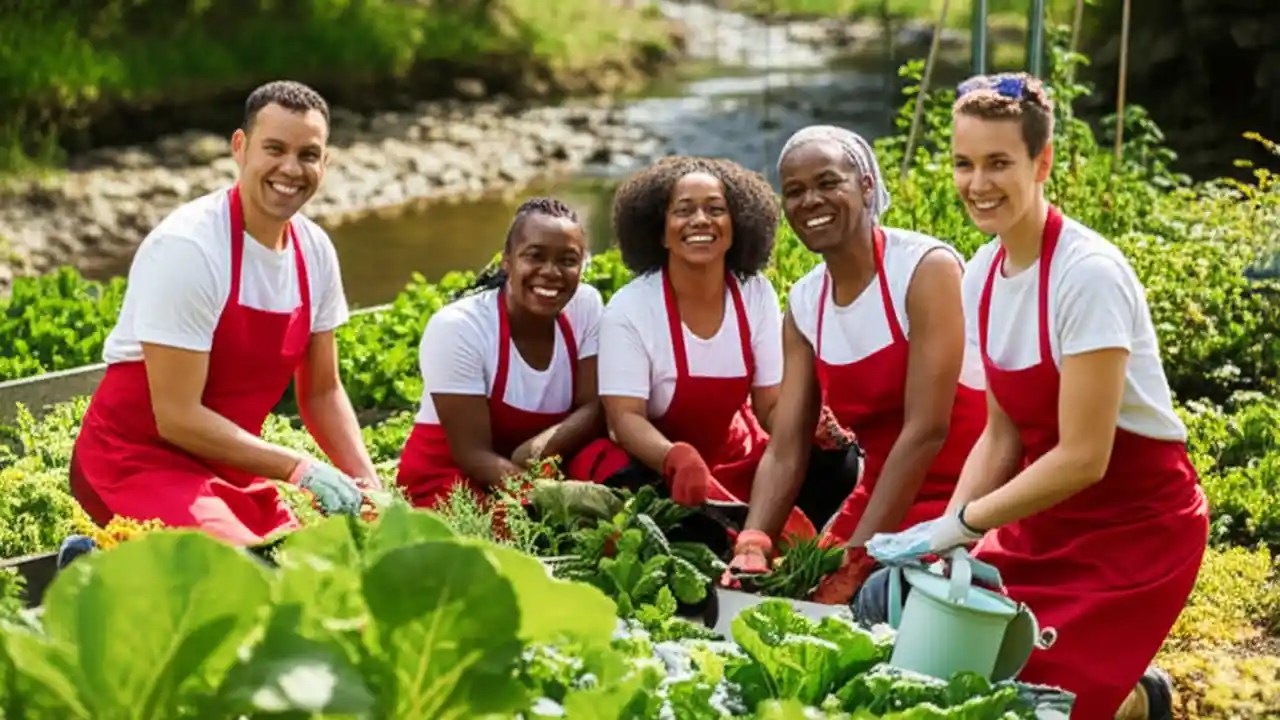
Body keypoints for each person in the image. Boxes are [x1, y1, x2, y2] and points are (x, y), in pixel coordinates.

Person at [859, 73, 1207, 720]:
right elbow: (1003, 434)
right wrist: (946, 542)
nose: (977, 183)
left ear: (1042, 163)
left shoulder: (1088, 276)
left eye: (999, 163)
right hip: (1044, 518)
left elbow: (1084, 457)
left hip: (1135, 527)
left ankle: (1140, 699)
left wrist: (966, 521)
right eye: (963, 164)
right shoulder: (982, 274)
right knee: (958, 671)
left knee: (1037, 706)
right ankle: (1128, 694)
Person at [68, 80, 375, 547]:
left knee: (303, 566)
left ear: (325, 163)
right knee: (240, 570)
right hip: (136, 463)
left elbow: (322, 391)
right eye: (274, 149)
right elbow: (176, 416)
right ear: (240, 147)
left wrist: (369, 484)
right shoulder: (190, 248)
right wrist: (299, 468)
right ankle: (97, 559)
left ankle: (99, 558)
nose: (291, 169)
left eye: (308, 155)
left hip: (231, 471)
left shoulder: (314, 252)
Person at [723, 125, 987, 603]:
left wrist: (861, 557)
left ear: (866, 186)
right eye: (795, 191)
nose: (811, 201)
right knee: (800, 603)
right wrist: (754, 541)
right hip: (882, 495)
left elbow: (927, 429)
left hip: (969, 494)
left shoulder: (924, 269)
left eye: (828, 183)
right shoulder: (806, 305)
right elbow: (786, 447)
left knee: (883, 604)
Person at [591, 155, 815, 538]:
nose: (700, 220)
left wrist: (805, 425)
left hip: (732, 457)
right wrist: (674, 457)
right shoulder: (630, 308)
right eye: (683, 211)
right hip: (652, 463)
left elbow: (768, 406)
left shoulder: (754, 293)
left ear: (736, 226)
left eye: (715, 210)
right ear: (661, 232)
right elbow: (624, 419)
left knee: (830, 464)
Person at [395, 197, 607, 508]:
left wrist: (538, 450)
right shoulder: (459, 328)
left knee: (613, 465)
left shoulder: (585, 306)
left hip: (545, 467)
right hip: (457, 476)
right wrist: (549, 503)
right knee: (505, 533)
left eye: (568, 260)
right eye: (534, 256)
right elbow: (473, 455)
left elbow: (594, 406)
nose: (551, 272)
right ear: (507, 261)